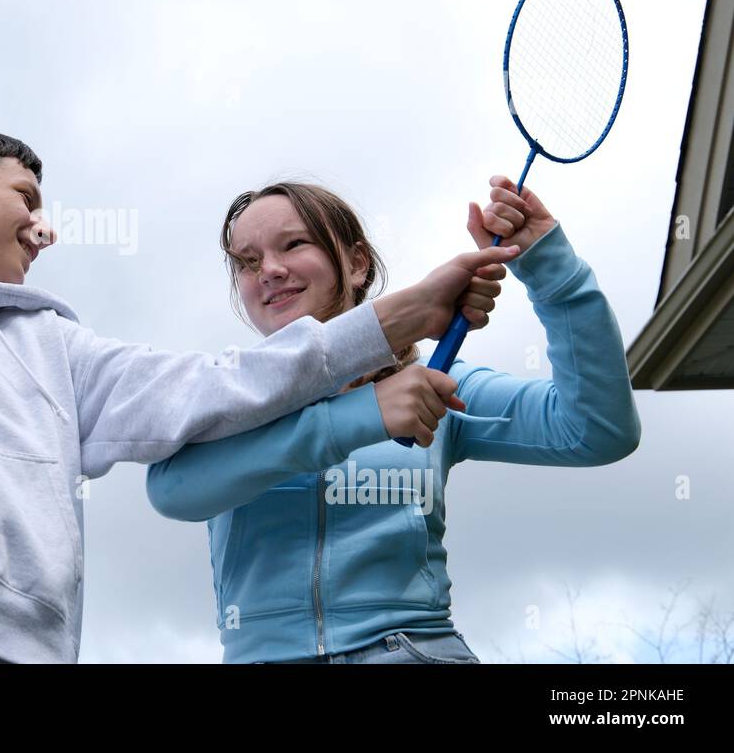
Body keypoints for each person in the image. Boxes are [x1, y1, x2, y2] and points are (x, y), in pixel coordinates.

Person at [0, 61, 517, 664]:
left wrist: (397, 317)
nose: (44, 228)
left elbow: (217, 386)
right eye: (28, 198)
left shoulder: (57, 347)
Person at [145, 177, 641, 663]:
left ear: (357, 263)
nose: (269, 270)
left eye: (293, 244)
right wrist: (366, 414)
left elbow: (595, 430)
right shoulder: (228, 392)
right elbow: (174, 490)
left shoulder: (437, 380)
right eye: (248, 262)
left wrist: (551, 267)